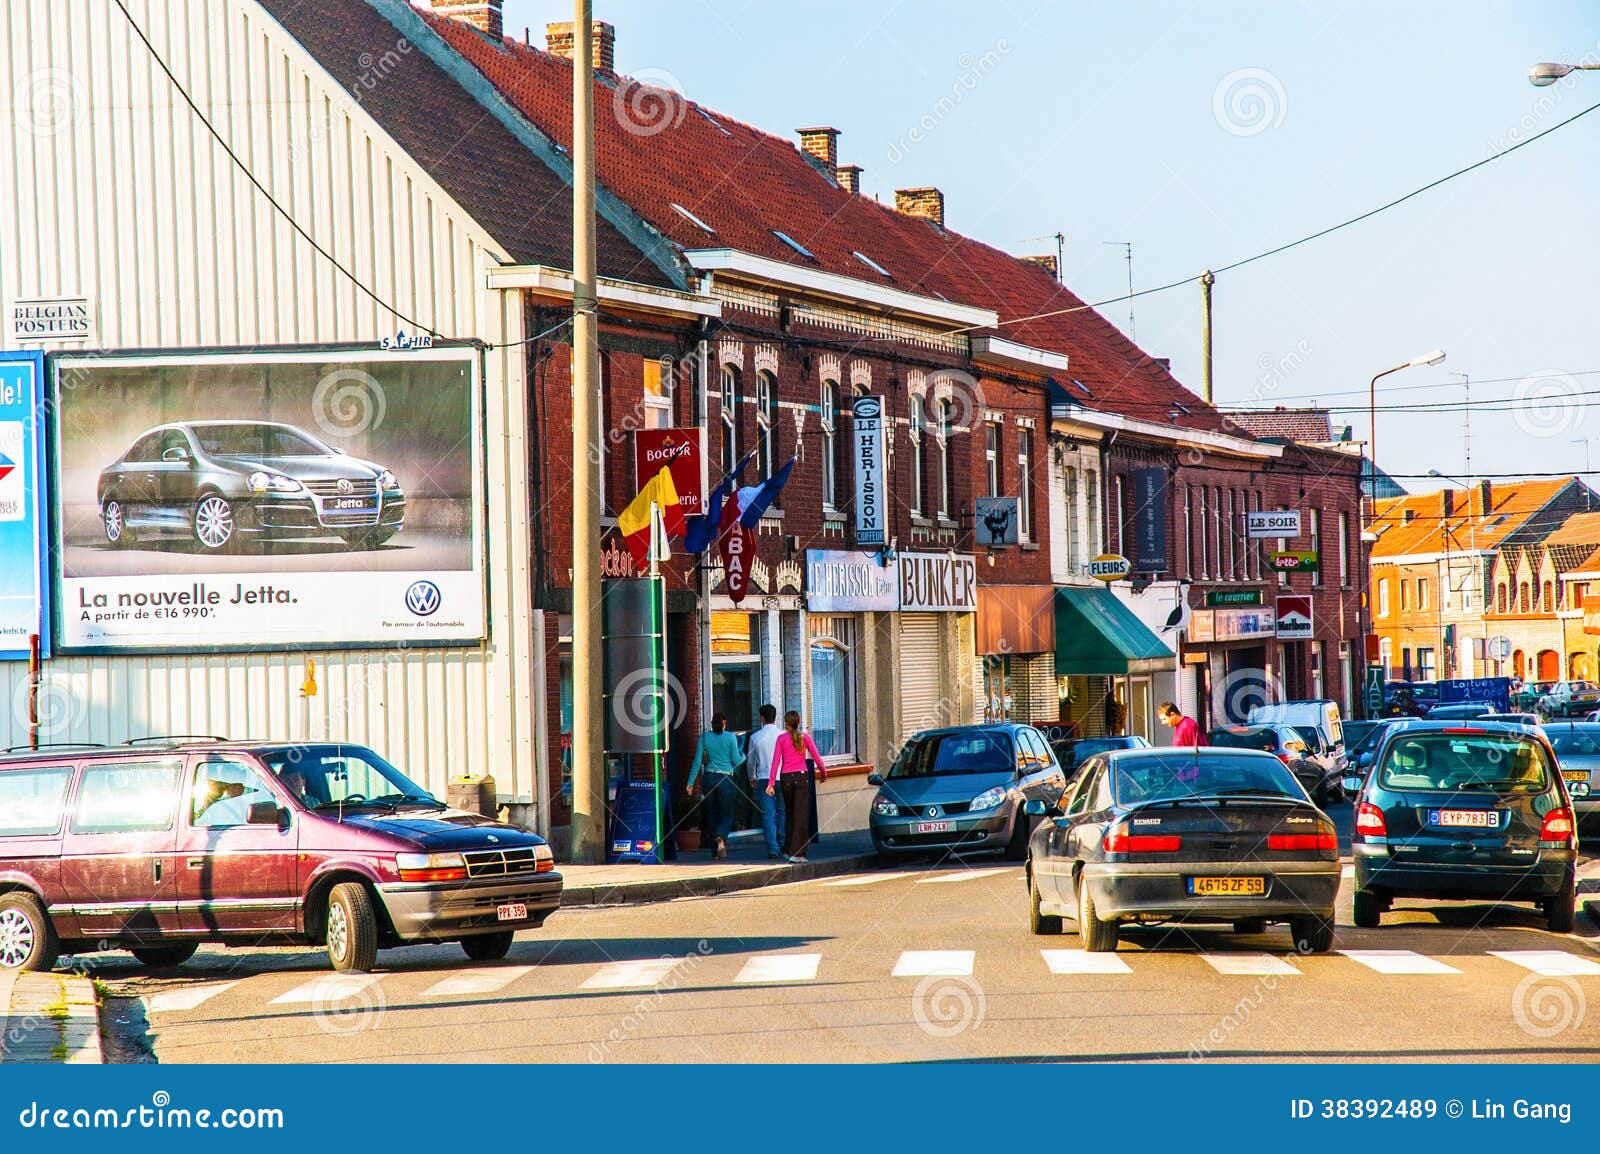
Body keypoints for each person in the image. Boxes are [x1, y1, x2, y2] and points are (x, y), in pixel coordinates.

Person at [766, 710, 827, 863]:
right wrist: (824, 773)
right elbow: (816, 756)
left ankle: (787, 849)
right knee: (801, 816)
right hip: (801, 778)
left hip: (786, 778)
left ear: (786, 723)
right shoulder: (804, 738)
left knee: (790, 813)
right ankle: (797, 852)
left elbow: (775, 762)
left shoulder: (781, 739)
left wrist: (771, 783)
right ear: (798, 722)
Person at [687, 713, 742, 859]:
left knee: (711, 814)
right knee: (727, 813)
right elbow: (736, 760)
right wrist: (745, 757)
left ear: (712, 724)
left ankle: (715, 853)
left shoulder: (704, 738)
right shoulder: (731, 737)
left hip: (709, 777)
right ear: (725, 722)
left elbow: (697, 762)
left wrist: (690, 783)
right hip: (726, 779)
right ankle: (721, 836)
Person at [745, 704, 785, 859]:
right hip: (782, 777)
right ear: (775, 717)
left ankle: (772, 848)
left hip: (763, 778)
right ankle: (783, 842)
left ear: (762, 718)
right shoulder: (782, 735)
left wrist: (751, 777)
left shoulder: (755, 737)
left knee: (768, 814)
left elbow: (750, 761)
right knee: (782, 811)